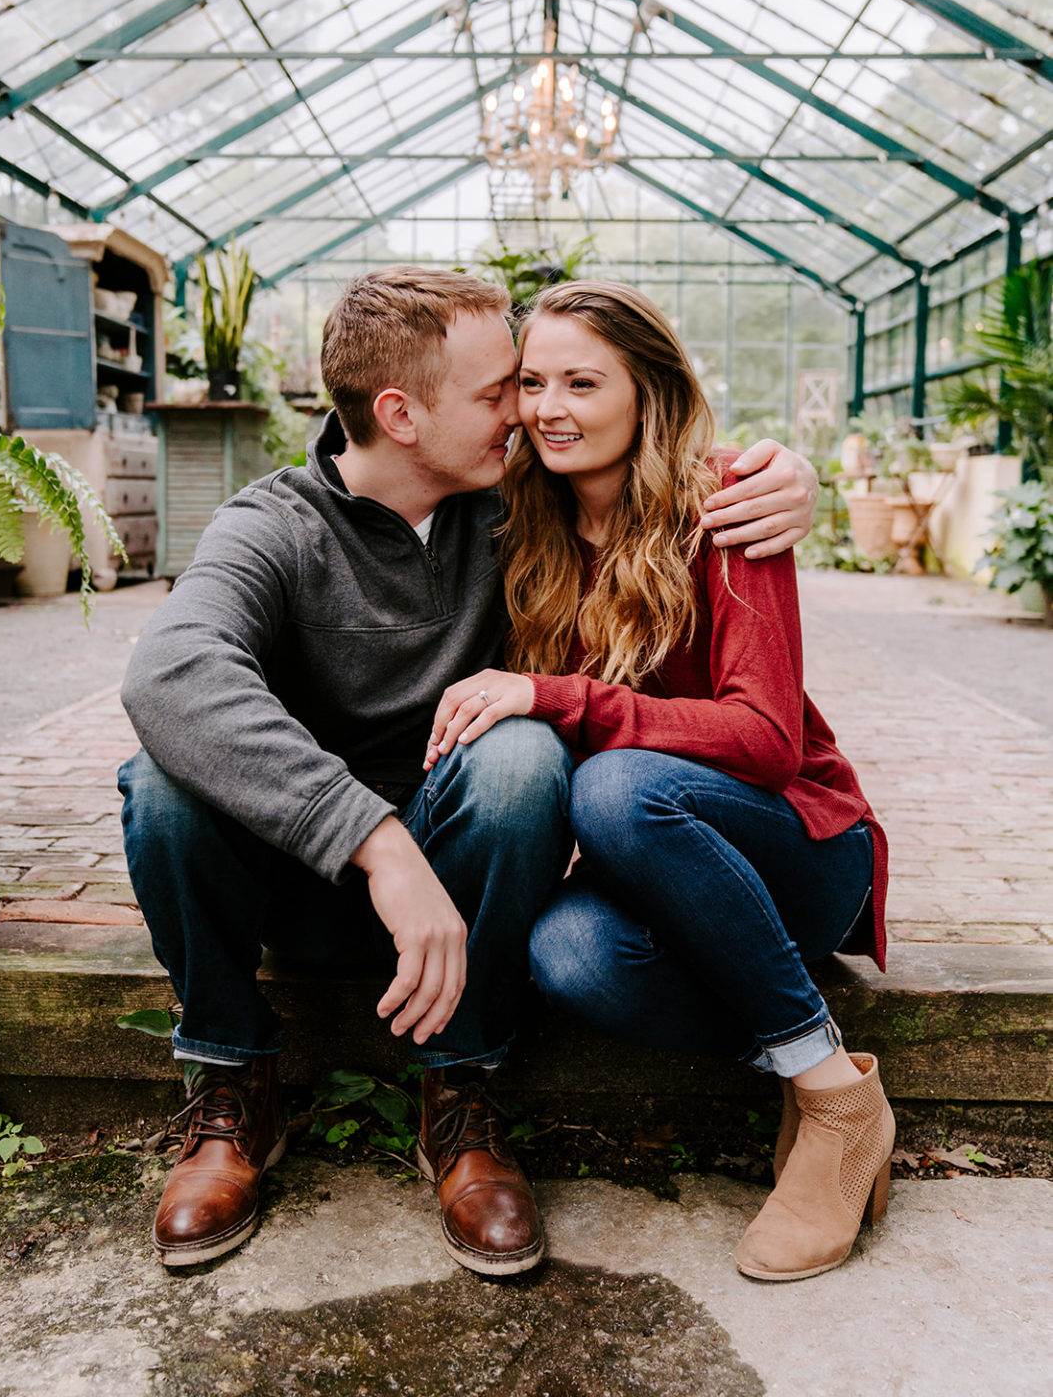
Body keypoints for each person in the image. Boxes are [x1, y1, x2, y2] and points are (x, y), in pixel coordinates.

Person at [118, 267, 818, 1277]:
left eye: (534, 386)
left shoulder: (520, 514)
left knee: (526, 757)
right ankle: (231, 1083)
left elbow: (658, 466)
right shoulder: (270, 527)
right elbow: (170, 671)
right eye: (503, 391)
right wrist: (373, 840)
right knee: (164, 776)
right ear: (400, 414)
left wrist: (780, 473)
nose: (529, 414)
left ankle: (461, 1093)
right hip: (309, 888)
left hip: (477, 889)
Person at [426, 279, 893, 1283]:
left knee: (617, 787)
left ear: (650, 390)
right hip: (662, 867)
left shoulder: (723, 504)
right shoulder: (523, 530)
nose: (551, 407)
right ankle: (797, 1055)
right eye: (532, 382)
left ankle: (836, 1102)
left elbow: (766, 739)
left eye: (583, 382)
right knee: (572, 954)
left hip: (798, 847)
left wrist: (562, 700)